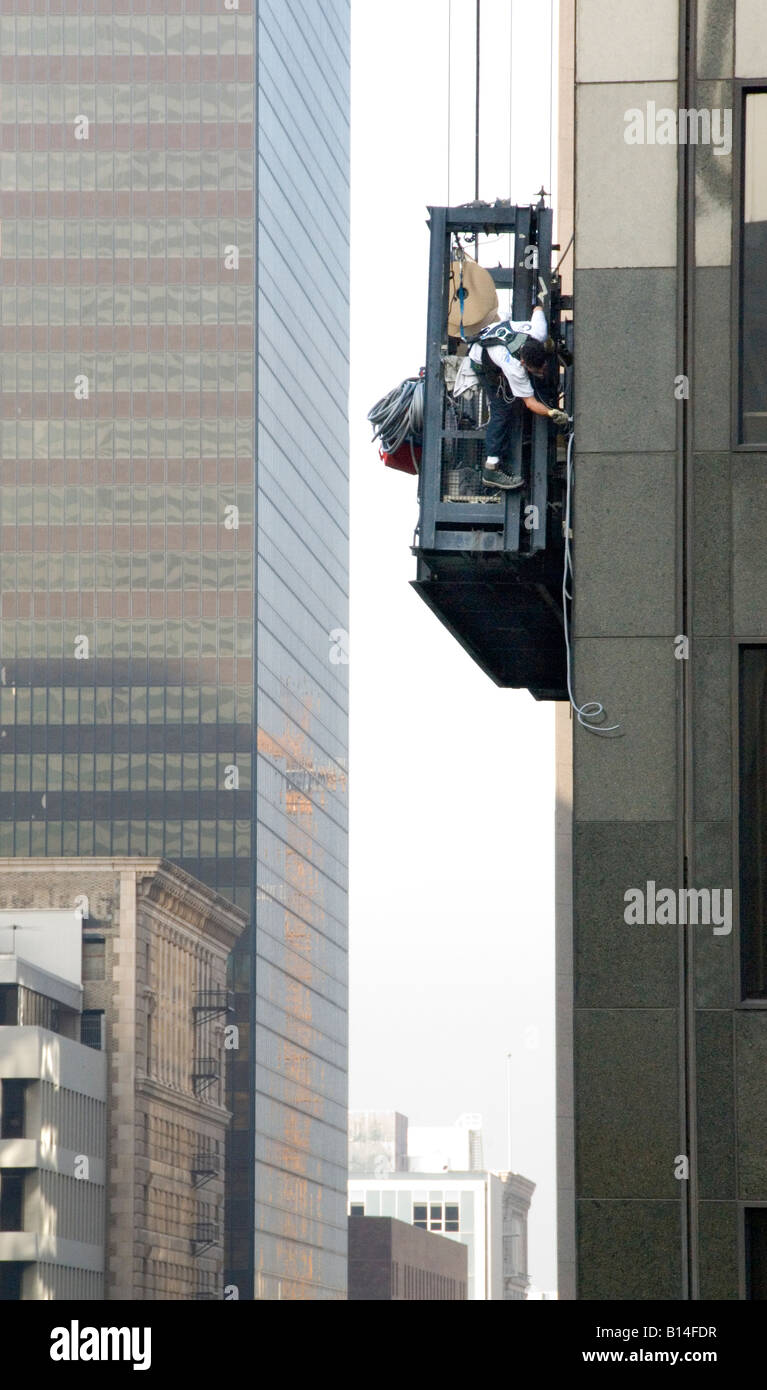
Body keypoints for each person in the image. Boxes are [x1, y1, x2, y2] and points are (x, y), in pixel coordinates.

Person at [468, 301, 570, 489]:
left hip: (495, 338)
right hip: (481, 359)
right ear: (524, 363)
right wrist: (551, 413)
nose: (540, 371)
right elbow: (530, 403)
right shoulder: (514, 367)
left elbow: (538, 309)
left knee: (546, 348)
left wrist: (536, 304)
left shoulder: (538, 332)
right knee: (502, 410)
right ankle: (491, 468)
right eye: (535, 369)